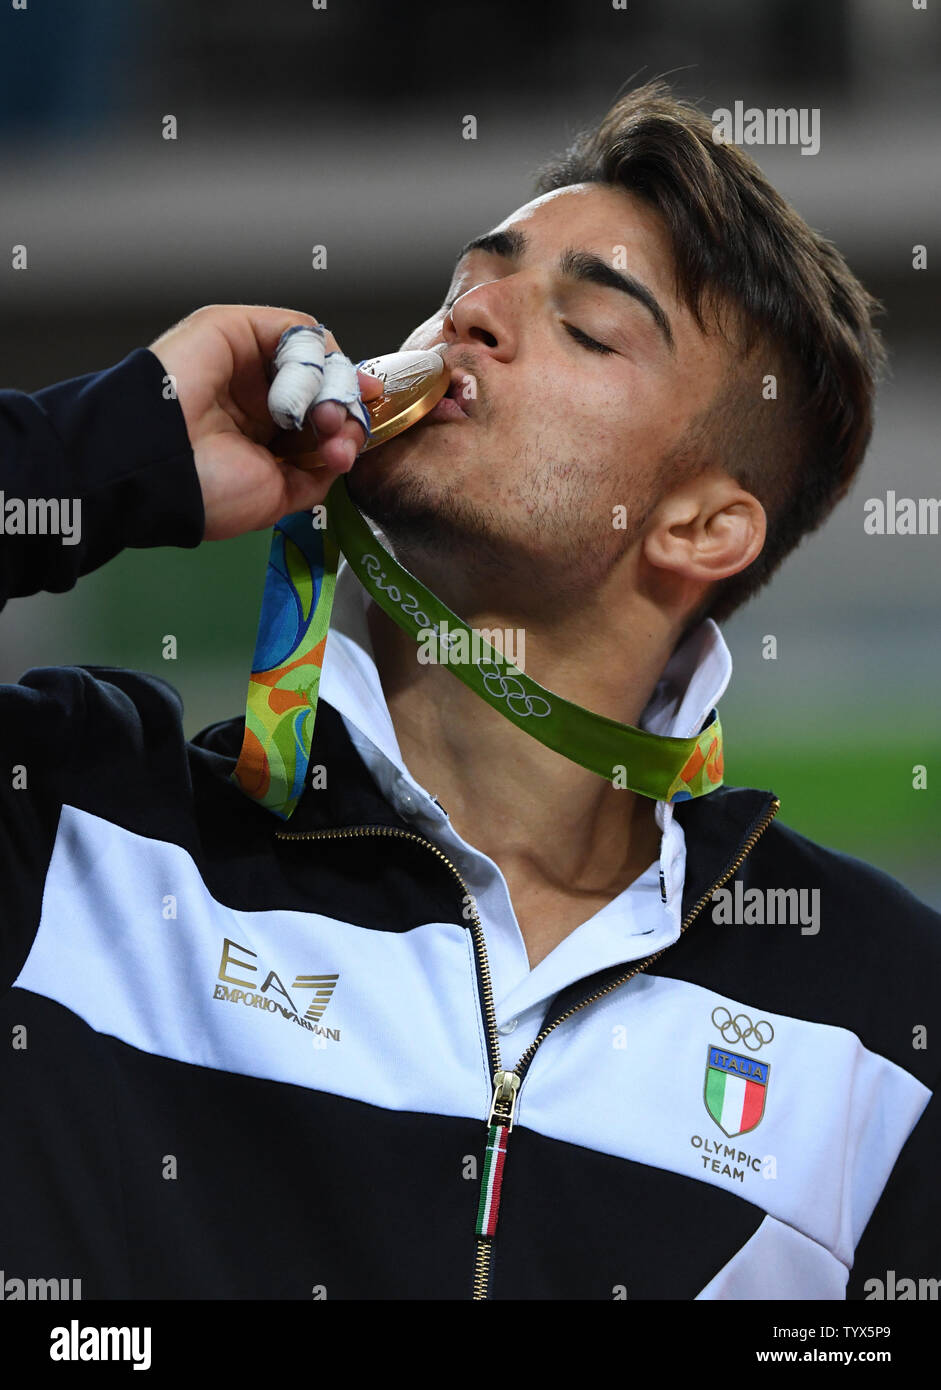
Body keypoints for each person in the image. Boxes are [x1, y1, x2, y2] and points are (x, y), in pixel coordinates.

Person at [0, 81, 937, 1301]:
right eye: (470, 280)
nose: (475, 316)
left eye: (589, 328)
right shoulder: (83, 828)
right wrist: (94, 453)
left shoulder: (881, 1024)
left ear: (703, 527)